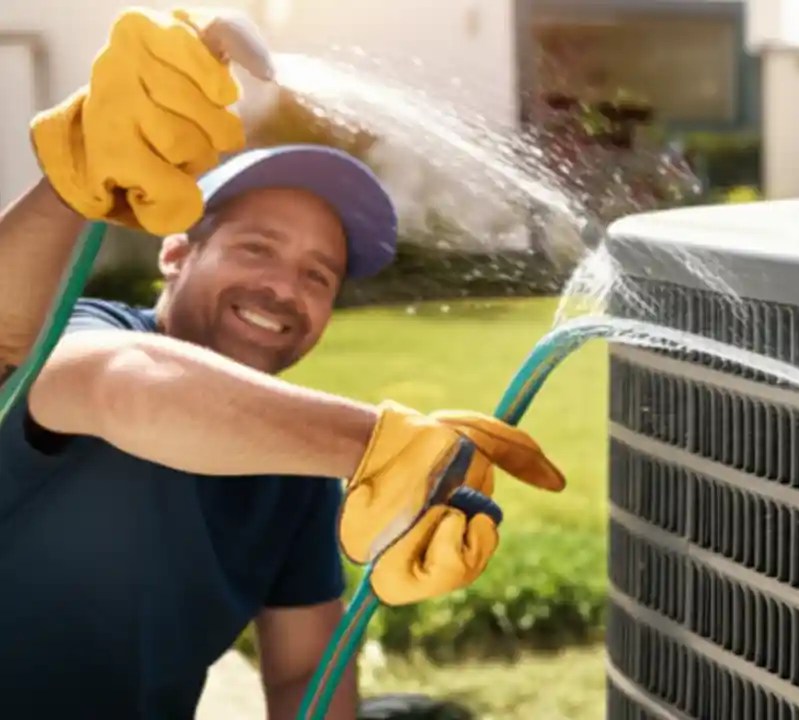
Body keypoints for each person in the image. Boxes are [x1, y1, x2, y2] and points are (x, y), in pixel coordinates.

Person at [0, 8, 564, 719]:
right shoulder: (86, 334)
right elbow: (120, 385)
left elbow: (305, 675)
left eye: (318, 275)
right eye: (256, 248)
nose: (282, 289)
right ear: (176, 252)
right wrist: (379, 447)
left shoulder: (294, 476)